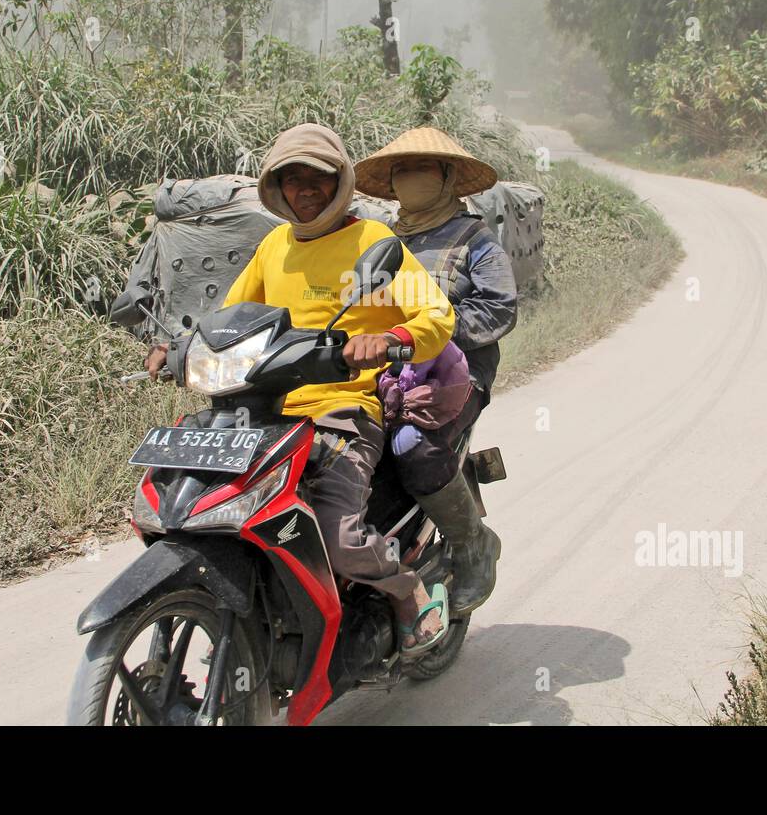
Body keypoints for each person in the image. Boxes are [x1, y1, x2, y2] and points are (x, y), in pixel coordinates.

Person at [144, 123, 457, 657]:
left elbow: (437, 315)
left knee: (336, 537)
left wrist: (388, 338)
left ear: (339, 183)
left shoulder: (373, 243)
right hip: (267, 409)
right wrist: (178, 346)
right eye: (292, 180)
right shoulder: (274, 245)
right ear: (276, 188)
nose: (305, 190)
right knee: (207, 502)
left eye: (318, 178)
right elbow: (229, 316)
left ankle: (405, 590)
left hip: (343, 410)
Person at [354, 127, 518, 615]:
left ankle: (473, 546)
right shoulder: (379, 239)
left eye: (421, 169)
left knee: (414, 448)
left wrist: (431, 334)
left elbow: (498, 308)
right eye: (401, 170)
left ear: (447, 177)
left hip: (453, 377)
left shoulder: (476, 241)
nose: (410, 179)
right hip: (380, 370)